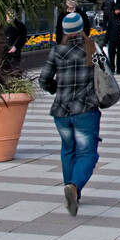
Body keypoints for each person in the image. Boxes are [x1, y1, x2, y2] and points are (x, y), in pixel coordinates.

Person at [39, 12, 101, 216]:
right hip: (85, 109)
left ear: (65, 30)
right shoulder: (92, 47)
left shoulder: (57, 50)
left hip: (61, 111)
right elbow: (105, 74)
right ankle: (74, 187)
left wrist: (55, 88)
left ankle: (72, 191)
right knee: (88, 153)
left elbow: (44, 79)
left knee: (68, 150)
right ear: (82, 28)